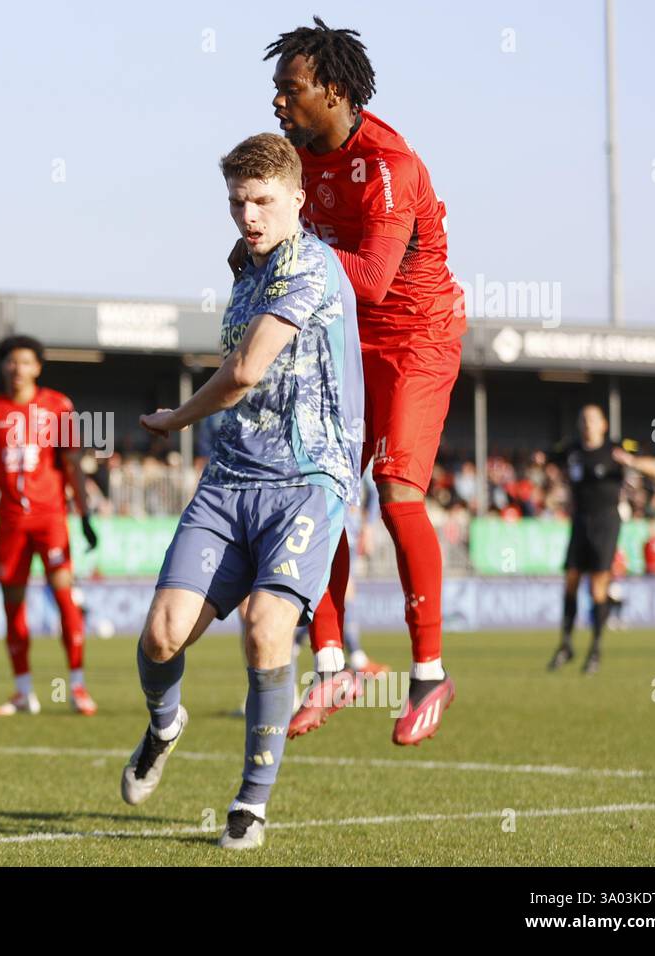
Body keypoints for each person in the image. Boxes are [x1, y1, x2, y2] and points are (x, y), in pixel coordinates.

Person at [123, 132, 362, 849]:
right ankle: (165, 725)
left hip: (305, 481)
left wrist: (175, 418)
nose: (249, 214)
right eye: (237, 202)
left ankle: (251, 804)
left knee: (265, 625)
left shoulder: (310, 269)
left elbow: (245, 373)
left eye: (262, 200)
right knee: (162, 636)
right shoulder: (247, 272)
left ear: (296, 197)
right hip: (229, 481)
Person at [242, 18, 464, 746]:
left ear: (332, 91)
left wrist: (287, 254)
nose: (277, 101)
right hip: (347, 343)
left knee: (398, 496)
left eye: (290, 88)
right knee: (323, 492)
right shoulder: (299, 157)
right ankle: (333, 662)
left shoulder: (390, 164)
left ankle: (428, 672)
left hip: (415, 340)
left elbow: (369, 282)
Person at [0, 336, 99, 716]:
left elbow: (72, 464)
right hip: (10, 523)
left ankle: (76, 686)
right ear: (4, 367)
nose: (17, 368)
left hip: (51, 520)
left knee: (64, 598)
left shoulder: (59, 407)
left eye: (25, 362)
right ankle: (24, 691)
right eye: (11, 362)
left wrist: (85, 514)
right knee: (12, 606)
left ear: (37, 368)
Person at [548, 405, 655, 675]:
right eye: (584, 420)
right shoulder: (572, 449)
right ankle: (566, 645)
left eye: (592, 420)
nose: (588, 424)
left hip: (606, 522)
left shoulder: (618, 448)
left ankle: (595, 649)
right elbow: (549, 458)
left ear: (604, 425)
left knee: (597, 587)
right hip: (580, 520)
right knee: (571, 580)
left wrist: (631, 462)